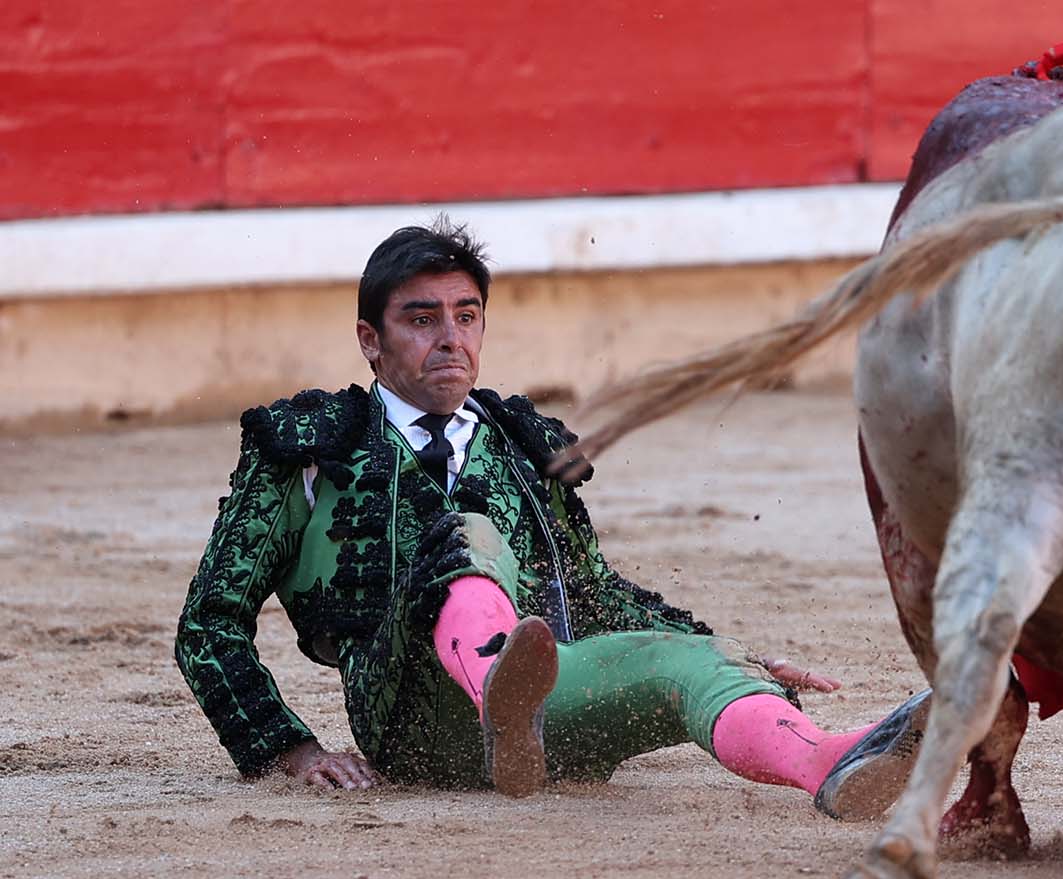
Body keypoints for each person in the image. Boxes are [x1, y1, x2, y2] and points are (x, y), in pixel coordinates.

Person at [174, 217, 929, 814]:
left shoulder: (525, 450)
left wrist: (734, 650)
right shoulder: (312, 451)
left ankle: (827, 762)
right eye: (421, 319)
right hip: (415, 726)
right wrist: (295, 750)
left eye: (466, 316)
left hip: (550, 713)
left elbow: (592, 592)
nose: (449, 339)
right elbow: (209, 620)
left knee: (689, 666)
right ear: (371, 341)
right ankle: (497, 690)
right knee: (467, 534)